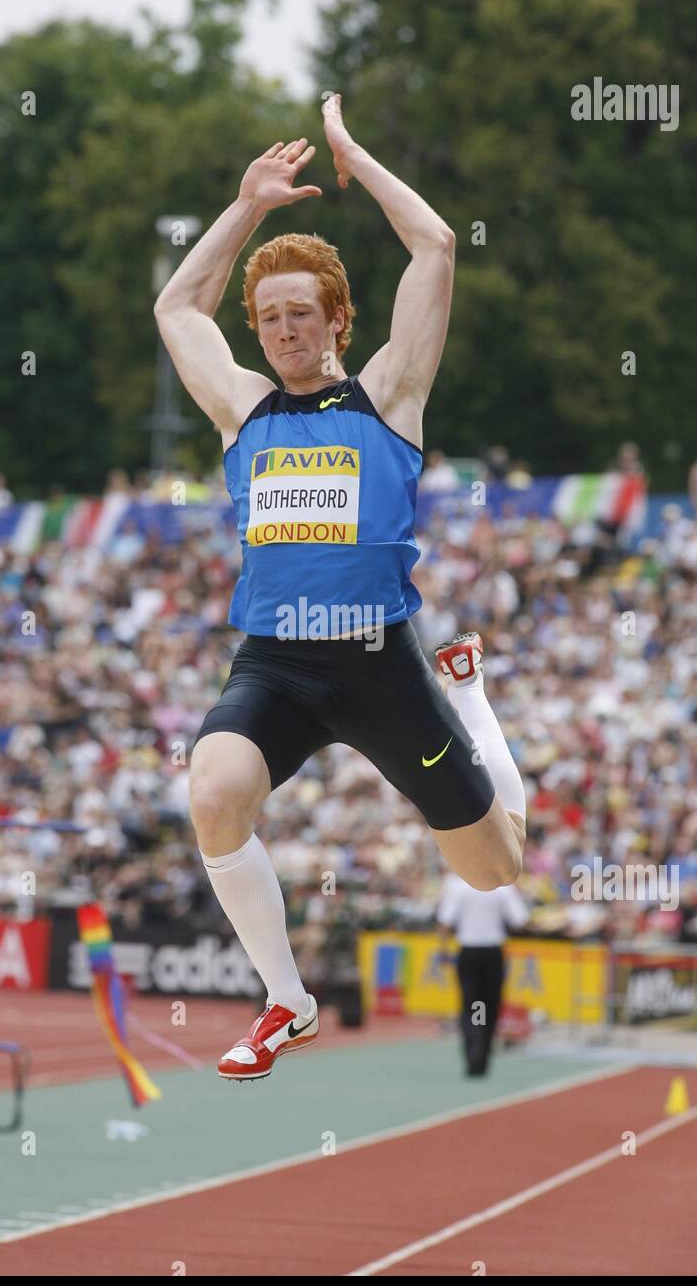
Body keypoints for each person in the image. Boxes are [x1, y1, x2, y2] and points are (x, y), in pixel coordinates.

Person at [154, 92, 527, 1081]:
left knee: (494, 868)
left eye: (298, 315)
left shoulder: (389, 395)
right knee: (214, 793)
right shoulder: (241, 409)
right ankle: (284, 999)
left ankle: (474, 705)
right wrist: (246, 209)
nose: (280, 331)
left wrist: (353, 159)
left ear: (334, 320)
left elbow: (437, 245)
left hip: (381, 663)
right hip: (276, 660)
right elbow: (175, 309)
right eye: (267, 318)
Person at [438, 873, 529, 1076]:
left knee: (472, 1004)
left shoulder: (457, 885)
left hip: (469, 951)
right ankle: (481, 1052)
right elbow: (520, 919)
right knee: (488, 1005)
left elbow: (445, 921)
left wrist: (443, 950)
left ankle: (473, 1049)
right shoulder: (502, 887)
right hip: (491, 952)